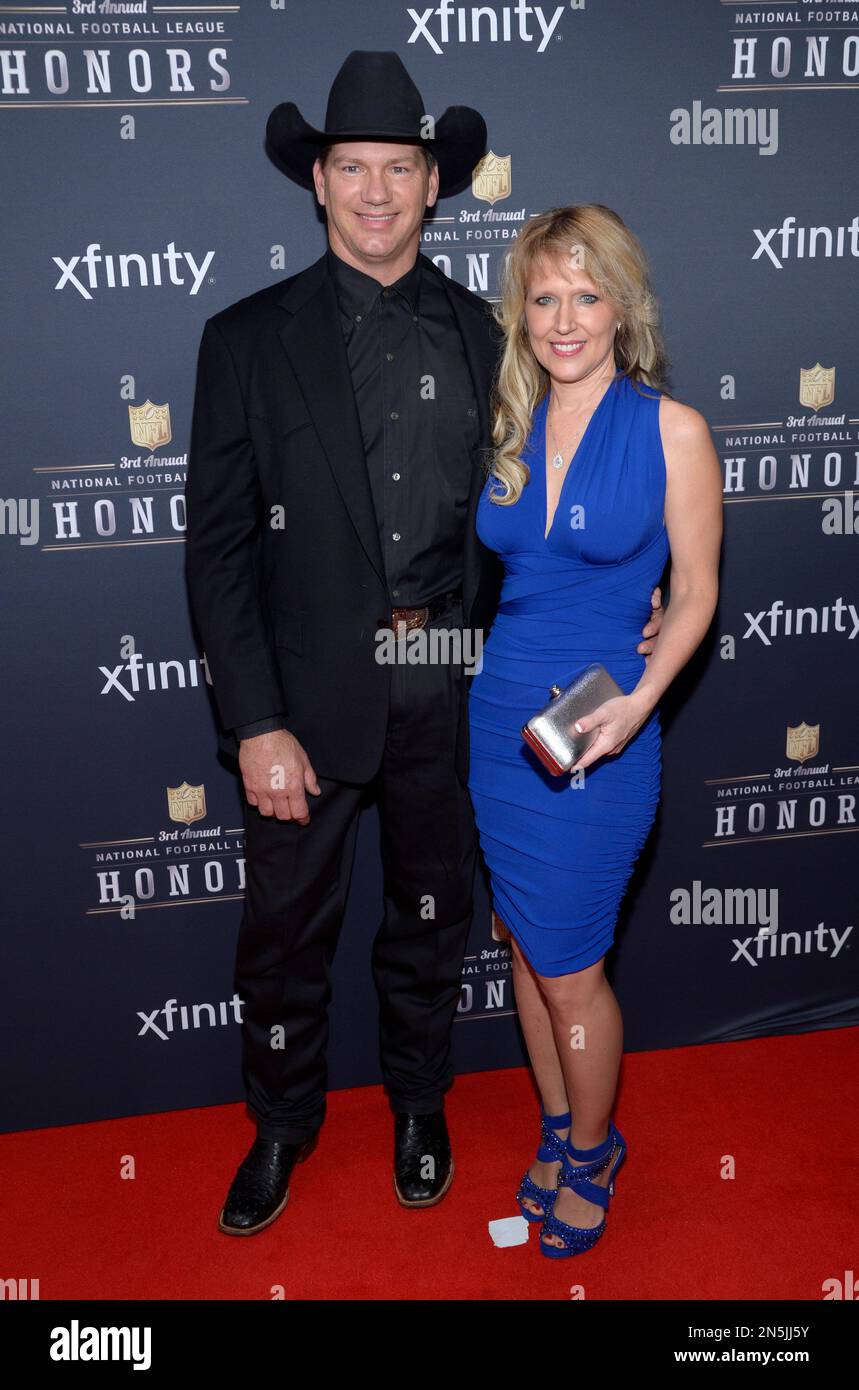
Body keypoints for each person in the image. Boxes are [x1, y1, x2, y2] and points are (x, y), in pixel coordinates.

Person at [185, 53, 665, 1237]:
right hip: (302, 698)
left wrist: (637, 607)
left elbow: (554, 511)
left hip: (450, 684)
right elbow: (219, 549)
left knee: (432, 918)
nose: (375, 191)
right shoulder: (243, 339)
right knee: (285, 938)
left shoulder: (494, 338)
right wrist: (254, 720)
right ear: (317, 183)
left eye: (398, 167)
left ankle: (417, 1105)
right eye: (351, 167)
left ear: (435, 181)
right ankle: (282, 1126)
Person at [467, 205, 722, 1257]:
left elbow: (698, 592)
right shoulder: (508, 425)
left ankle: (594, 1148)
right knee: (528, 954)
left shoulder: (672, 430)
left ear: (622, 305)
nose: (563, 319)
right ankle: (559, 1127)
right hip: (502, 726)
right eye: (542, 298)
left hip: (602, 730)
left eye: (584, 294)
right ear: (519, 313)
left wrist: (640, 697)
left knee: (572, 965)